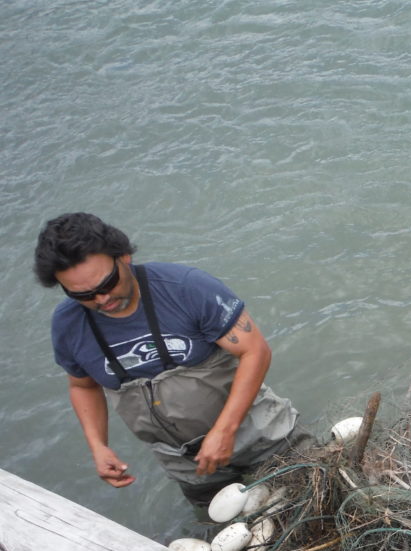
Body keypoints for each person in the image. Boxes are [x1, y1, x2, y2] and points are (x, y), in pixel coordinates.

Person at [35, 212, 306, 505]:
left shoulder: (186, 288)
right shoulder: (68, 325)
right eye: (83, 295)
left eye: (107, 283)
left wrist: (224, 431)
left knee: (310, 494)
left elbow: (255, 351)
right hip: (187, 463)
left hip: (258, 435)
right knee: (221, 537)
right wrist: (98, 446)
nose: (101, 299)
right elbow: (82, 386)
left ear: (124, 257)